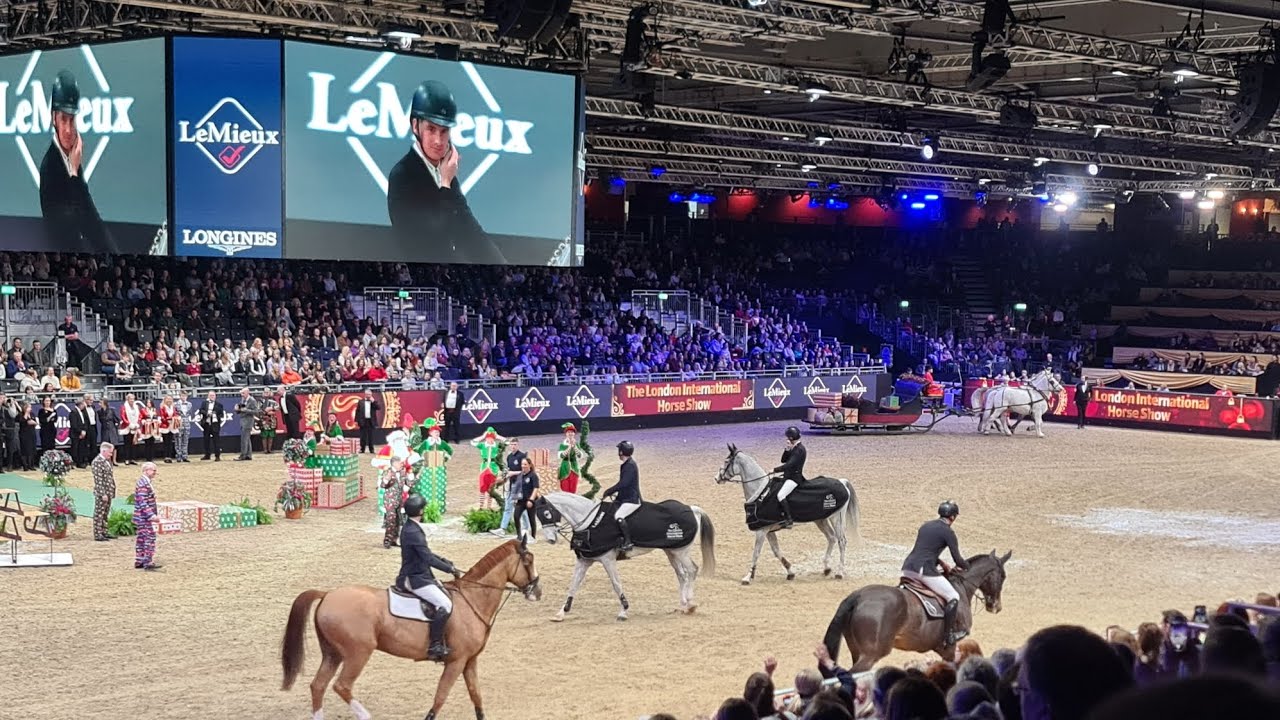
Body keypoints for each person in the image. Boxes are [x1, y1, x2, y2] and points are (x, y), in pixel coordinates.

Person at [386, 80, 506, 265]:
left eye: (444, 131)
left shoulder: (445, 173)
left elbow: (471, 231)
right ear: (415, 125)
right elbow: (435, 238)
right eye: (431, 129)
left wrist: (504, 268)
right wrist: (445, 185)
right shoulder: (402, 175)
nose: (438, 140)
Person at [39, 70, 110, 253]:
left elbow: (93, 223)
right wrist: (73, 173)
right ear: (54, 118)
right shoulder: (50, 168)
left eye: (73, 119)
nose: (69, 129)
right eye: (64, 119)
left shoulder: (71, 160)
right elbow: (66, 234)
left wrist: (112, 255)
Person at [396, 493, 463, 661]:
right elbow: (427, 558)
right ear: (420, 511)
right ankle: (435, 645)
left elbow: (426, 553)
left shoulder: (411, 527)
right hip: (415, 578)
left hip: (420, 574)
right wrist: (449, 569)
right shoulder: (413, 532)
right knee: (445, 604)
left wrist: (445, 561)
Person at [902, 501, 970, 647]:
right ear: (952, 517)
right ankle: (948, 635)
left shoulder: (925, 526)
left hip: (907, 568)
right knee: (953, 596)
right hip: (924, 571)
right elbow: (957, 559)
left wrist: (940, 563)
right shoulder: (948, 532)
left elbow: (924, 550)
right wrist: (967, 567)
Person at [602, 440, 642, 553]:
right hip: (625, 497)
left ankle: (628, 542)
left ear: (621, 452)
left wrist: (610, 490)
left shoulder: (630, 465)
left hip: (632, 500)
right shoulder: (626, 464)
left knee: (619, 516)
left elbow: (624, 483)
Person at [773, 426, 807, 528]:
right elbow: (783, 460)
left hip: (794, 478)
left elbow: (788, 465)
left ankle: (789, 519)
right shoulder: (794, 448)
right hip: (789, 476)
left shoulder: (799, 450)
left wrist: (774, 470)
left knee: (781, 495)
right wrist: (787, 449)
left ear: (791, 438)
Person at [493, 437, 528, 537]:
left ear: (518, 445)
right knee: (508, 507)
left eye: (515, 444)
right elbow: (508, 470)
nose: (513, 446)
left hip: (520, 485)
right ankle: (502, 529)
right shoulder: (509, 457)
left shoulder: (522, 456)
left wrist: (513, 473)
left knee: (521, 507)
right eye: (511, 445)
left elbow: (525, 471)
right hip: (512, 484)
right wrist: (505, 475)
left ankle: (526, 528)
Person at [132, 462, 161, 570]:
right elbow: (143, 502)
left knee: (141, 538)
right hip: (143, 517)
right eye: (153, 470)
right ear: (145, 470)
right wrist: (152, 515)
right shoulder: (144, 484)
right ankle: (147, 562)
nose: (155, 472)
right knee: (149, 538)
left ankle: (139, 559)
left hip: (141, 516)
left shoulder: (144, 482)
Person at [470, 427, 506, 510]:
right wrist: (482, 436)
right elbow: (473, 442)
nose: (489, 440)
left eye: (491, 438)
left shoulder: (497, 446)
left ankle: (489, 507)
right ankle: (481, 506)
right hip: (484, 468)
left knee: (491, 488)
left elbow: (507, 442)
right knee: (482, 488)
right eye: (488, 438)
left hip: (493, 468)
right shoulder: (482, 445)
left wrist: (498, 436)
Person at [381, 457, 412, 549]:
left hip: (399, 500)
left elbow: (409, 483)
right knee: (391, 520)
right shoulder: (388, 472)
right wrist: (386, 479)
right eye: (400, 463)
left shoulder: (402, 472)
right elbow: (383, 485)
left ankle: (394, 539)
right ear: (394, 463)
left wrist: (417, 477)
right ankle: (387, 540)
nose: (401, 465)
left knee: (398, 520)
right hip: (390, 500)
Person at [91, 443, 116, 542]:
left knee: (105, 513)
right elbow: (98, 480)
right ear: (104, 451)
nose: (111, 454)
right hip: (102, 492)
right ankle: (98, 533)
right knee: (99, 513)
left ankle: (104, 531)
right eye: (110, 452)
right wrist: (102, 494)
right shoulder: (97, 462)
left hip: (109, 491)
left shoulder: (107, 461)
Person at [511, 456, 540, 542]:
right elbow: (517, 487)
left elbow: (536, 488)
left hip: (530, 500)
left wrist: (531, 500)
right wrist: (515, 498)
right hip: (521, 500)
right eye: (522, 464)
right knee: (516, 516)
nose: (523, 466)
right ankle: (519, 535)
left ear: (530, 465)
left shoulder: (533, 475)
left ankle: (533, 536)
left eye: (525, 464)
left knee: (531, 518)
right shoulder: (520, 475)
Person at [198, 391, 225, 461]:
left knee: (216, 441)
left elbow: (221, 414)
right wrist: (207, 414)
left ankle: (217, 456)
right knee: (206, 440)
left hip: (215, 425)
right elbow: (201, 410)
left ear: (215, 396)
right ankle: (207, 455)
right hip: (206, 424)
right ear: (208, 396)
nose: (212, 397)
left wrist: (215, 415)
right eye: (210, 395)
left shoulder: (219, 405)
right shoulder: (204, 403)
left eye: (213, 395)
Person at [557, 422, 583, 493]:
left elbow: (579, 455)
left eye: (572, 432)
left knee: (573, 490)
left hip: (574, 468)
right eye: (568, 432)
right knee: (565, 490)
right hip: (564, 468)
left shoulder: (576, 444)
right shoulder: (562, 445)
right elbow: (561, 455)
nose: (570, 434)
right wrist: (569, 447)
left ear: (574, 434)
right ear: (566, 434)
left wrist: (574, 447)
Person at [235, 388, 260, 461]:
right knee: (247, 439)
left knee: (244, 439)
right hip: (243, 420)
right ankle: (248, 455)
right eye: (241, 393)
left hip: (248, 421)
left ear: (247, 393)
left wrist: (246, 410)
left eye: (243, 393)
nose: (242, 395)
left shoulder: (252, 400)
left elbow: (256, 411)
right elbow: (241, 409)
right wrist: (237, 409)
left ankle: (243, 455)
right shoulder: (243, 400)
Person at [118, 393, 142, 465]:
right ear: (127, 399)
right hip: (127, 427)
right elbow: (123, 416)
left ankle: (133, 458)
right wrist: (129, 424)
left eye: (133, 399)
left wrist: (137, 423)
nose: (132, 400)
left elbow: (139, 416)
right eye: (130, 399)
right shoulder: (124, 407)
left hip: (135, 427)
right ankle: (127, 458)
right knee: (127, 443)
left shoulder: (136, 407)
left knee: (134, 443)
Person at [357, 389, 380, 454]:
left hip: (371, 421)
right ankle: (362, 449)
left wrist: (373, 402)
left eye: (370, 395)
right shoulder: (361, 402)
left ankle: (371, 449)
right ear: (365, 394)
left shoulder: (374, 402)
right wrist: (357, 421)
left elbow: (378, 408)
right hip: (363, 421)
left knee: (371, 437)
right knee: (363, 436)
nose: (368, 396)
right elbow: (357, 412)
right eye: (367, 394)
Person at [173, 390, 192, 463]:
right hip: (179, 423)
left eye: (185, 396)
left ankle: (185, 456)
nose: (183, 397)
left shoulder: (189, 404)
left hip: (187, 424)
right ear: (180, 396)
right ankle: (178, 455)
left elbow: (189, 413)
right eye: (182, 396)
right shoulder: (176, 404)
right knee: (178, 440)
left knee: (185, 440)